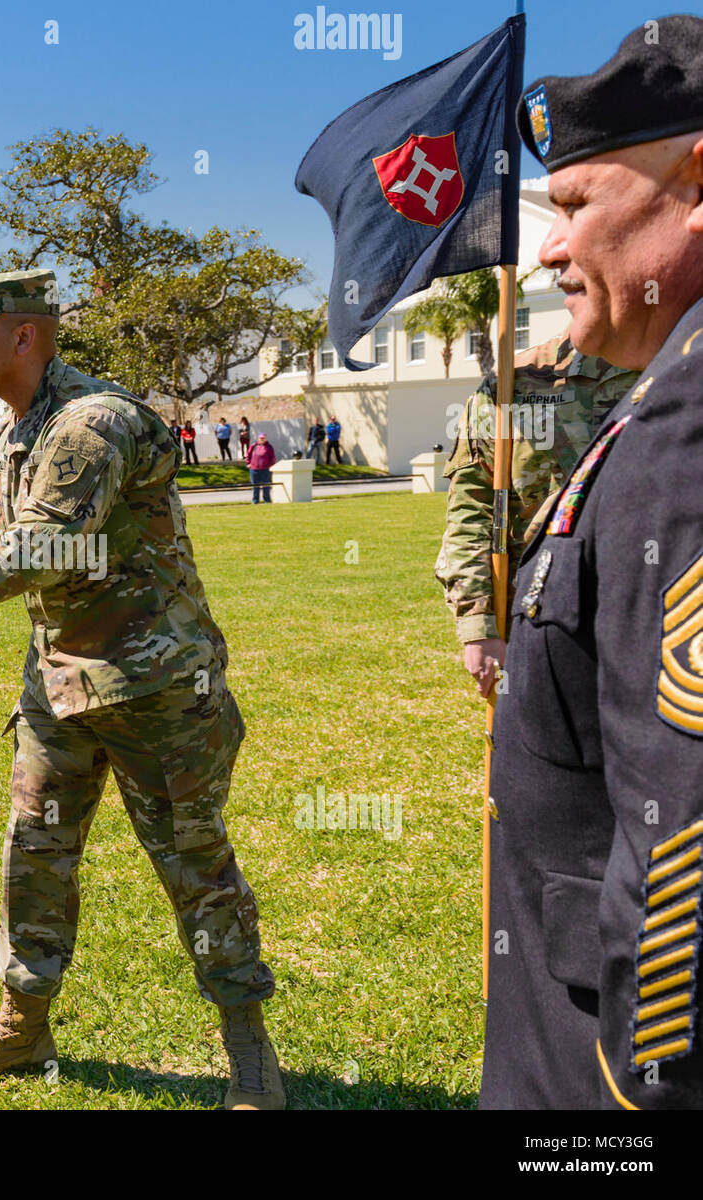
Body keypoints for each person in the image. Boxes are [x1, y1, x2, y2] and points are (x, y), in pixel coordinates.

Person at [0, 268, 283, 1110]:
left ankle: (248, 1049)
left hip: (156, 683)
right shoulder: (8, 434)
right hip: (60, 688)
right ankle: (23, 1025)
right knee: (35, 857)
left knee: (194, 863)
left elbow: (38, 550)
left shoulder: (92, 426)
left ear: (26, 335)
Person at [483, 15, 703, 1109]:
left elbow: (684, 855)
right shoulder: (660, 394)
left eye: (574, 206)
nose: (549, 250)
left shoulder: (690, 431)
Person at [435, 330, 638, 695]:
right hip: (539, 617)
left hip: (664, 615)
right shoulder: (515, 381)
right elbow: (473, 506)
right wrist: (478, 624)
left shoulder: (681, 362)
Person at [247, 433, 275, 504]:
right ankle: (255, 501)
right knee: (255, 486)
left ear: (265, 438)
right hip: (254, 469)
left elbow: (273, 458)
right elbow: (248, 455)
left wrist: (270, 465)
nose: (262, 439)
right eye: (261, 438)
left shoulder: (269, 447)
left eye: (263, 438)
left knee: (266, 486)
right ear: (258, 439)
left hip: (265, 469)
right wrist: (248, 463)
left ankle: (267, 501)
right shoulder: (254, 446)